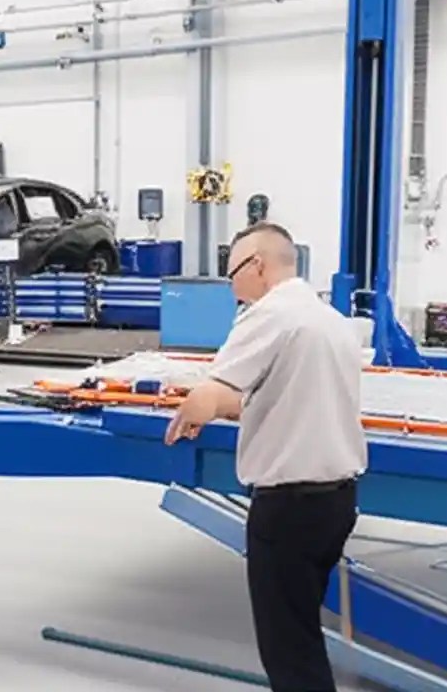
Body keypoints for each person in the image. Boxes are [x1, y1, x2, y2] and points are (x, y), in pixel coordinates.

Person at [164, 221, 366, 692]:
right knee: (302, 634)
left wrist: (192, 411)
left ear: (257, 265)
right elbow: (275, 394)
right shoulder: (329, 319)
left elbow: (211, 393)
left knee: (288, 653)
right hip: (336, 503)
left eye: (232, 272)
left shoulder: (269, 315)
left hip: (288, 508)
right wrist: (225, 403)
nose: (232, 285)